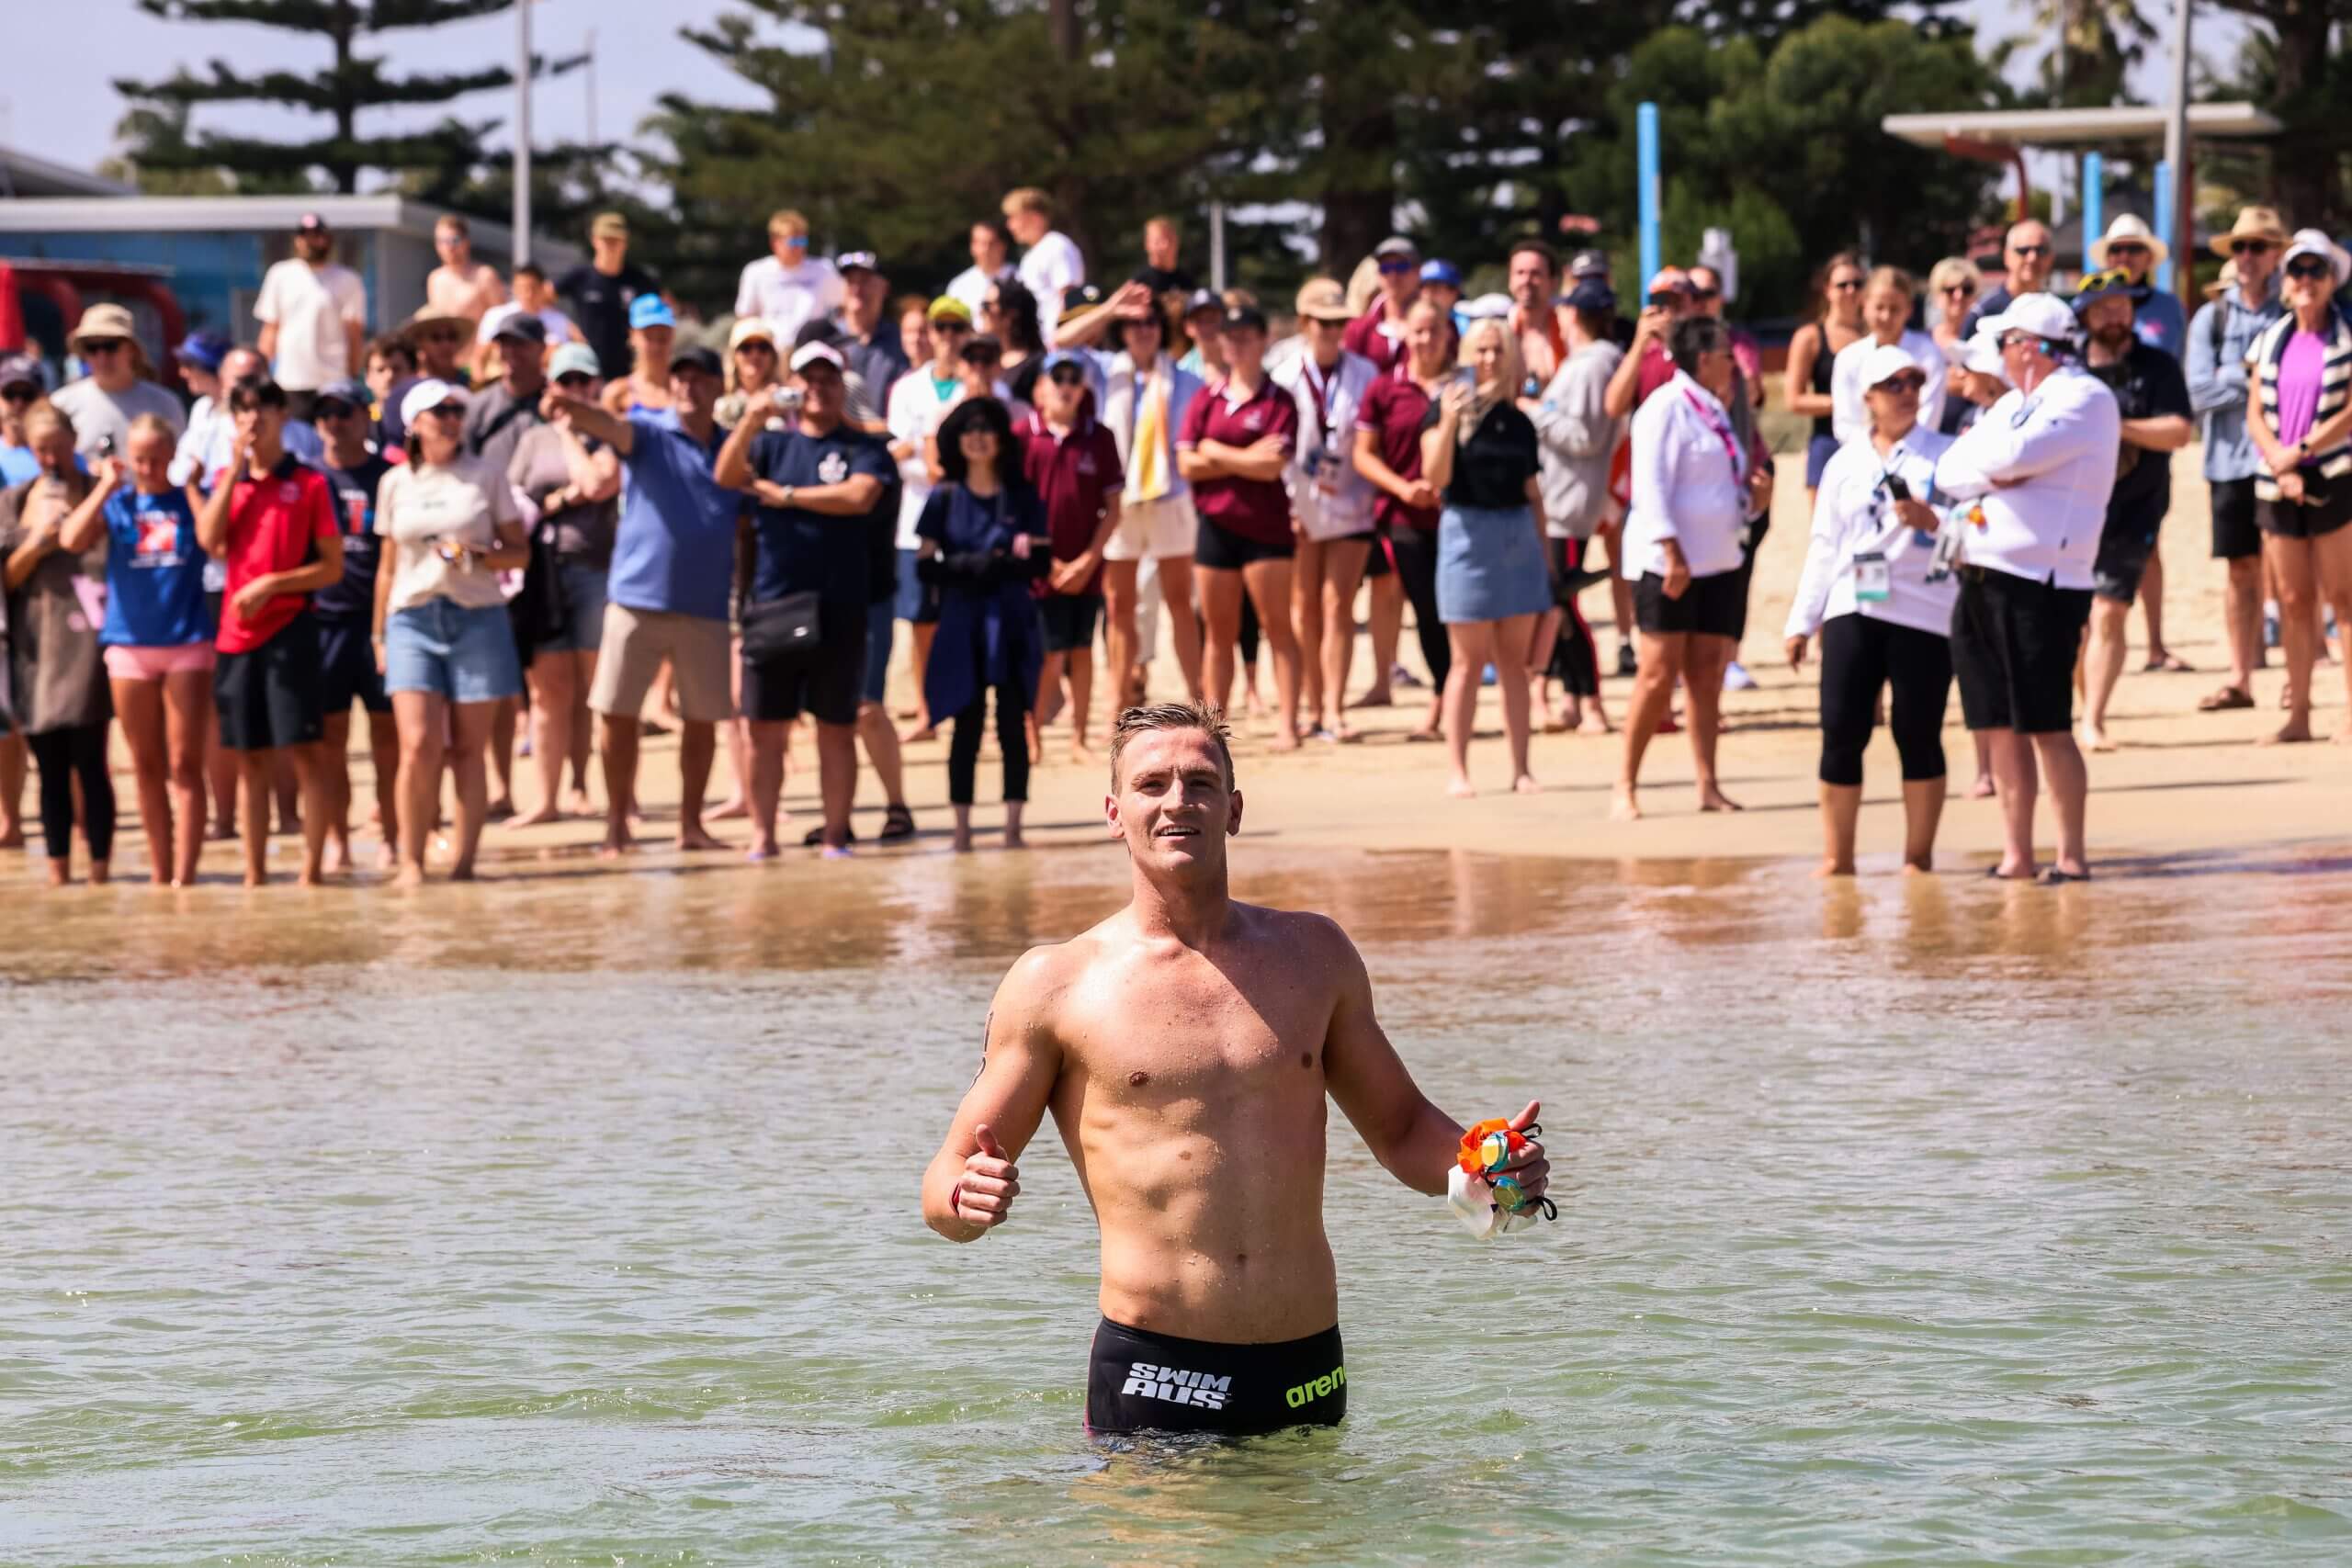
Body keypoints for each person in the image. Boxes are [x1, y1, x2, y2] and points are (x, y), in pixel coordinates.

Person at [921, 699, 1555, 1438]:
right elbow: (945, 1179)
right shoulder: (1056, 983)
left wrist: (1483, 1165)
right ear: (1114, 811)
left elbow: (1403, 1126)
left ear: (1234, 808)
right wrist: (965, 1198)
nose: (1176, 802)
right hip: (1157, 1372)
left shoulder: (1315, 956)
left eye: (1199, 782)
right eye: (1152, 784)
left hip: (1308, 1368)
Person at [1934, 292, 2119, 882]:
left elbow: (2012, 455)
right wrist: (1997, 471)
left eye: (2004, 343)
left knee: (2045, 723)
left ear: (2029, 346)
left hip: (2043, 582)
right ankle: (2018, 853)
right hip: (1982, 574)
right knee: (1996, 722)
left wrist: (1996, 469)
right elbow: (1949, 471)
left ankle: (2072, 855)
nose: (1996, 356)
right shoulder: (2016, 401)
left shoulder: (2085, 396)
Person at [544, 345, 736, 856]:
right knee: (617, 715)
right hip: (635, 599)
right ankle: (616, 825)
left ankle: (690, 825)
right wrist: (570, 408)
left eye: (699, 378)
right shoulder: (649, 430)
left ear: (719, 387)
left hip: (707, 605)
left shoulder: (733, 449)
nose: (688, 387)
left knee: (701, 720)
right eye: (681, 378)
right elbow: (607, 424)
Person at [711, 340, 893, 858]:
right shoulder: (769, 445)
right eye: (808, 379)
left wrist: (786, 496)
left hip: (840, 606)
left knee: (835, 729)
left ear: (842, 386)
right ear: (795, 385)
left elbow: (860, 496)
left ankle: (835, 837)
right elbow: (725, 476)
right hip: (772, 606)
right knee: (765, 732)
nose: (818, 388)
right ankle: (763, 838)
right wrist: (750, 420)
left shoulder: (863, 446)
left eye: (828, 378)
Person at [1784, 345, 1958, 875]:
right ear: (1869, 397)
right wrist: (1801, 620)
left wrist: (1936, 522)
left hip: (1925, 609)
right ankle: (1838, 858)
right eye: (1894, 384)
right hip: (1852, 604)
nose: (1907, 393)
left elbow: (1975, 534)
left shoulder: (1947, 454)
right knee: (1841, 729)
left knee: (1918, 731)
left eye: (1914, 381)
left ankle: (1917, 858)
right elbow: (1823, 545)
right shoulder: (1844, 462)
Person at [370, 378, 527, 886]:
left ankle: (464, 863)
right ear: (415, 423)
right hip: (412, 618)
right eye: (440, 412)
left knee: (467, 748)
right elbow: (387, 568)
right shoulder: (395, 482)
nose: (451, 420)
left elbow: (520, 552)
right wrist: (378, 636)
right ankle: (411, 862)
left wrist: (477, 557)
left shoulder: (486, 475)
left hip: (477, 615)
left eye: (457, 412)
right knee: (417, 745)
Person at [1615, 315, 1773, 820]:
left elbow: (1716, 484)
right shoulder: (1663, 407)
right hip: (1670, 564)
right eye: (1729, 354)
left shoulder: (1718, 408)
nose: (1737, 362)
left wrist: (1754, 502)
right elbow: (1651, 489)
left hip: (1719, 560)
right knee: (1657, 676)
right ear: (1704, 358)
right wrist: (1672, 554)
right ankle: (1625, 785)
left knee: (1706, 675)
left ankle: (1708, 784)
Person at [195, 377, 345, 886]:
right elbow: (209, 541)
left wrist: (273, 584)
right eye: (242, 411)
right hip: (237, 638)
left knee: (306, 752)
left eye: (262, 409)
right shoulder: (228, 478)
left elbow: (332, 568)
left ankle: (311, 874)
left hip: (290, 629)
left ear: (282, 415)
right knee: (249, 759)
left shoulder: (310, 484)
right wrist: (234, 471)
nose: (252, 420)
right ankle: (254, 875)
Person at [62, 411, 212, 886]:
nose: (147, 467)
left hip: (187, 640)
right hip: (128, 643)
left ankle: (184, 877)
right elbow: (70, 538)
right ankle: (159, 872)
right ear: (128, 457)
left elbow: (217, 540)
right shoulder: (118, 503)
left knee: (185, 764)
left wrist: (191, 486)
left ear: (171, 454)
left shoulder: (191, 501)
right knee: (144, 765)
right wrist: (105, 488)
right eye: (139, 458)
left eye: (155, 458)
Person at [1423, 318, 1549, 797]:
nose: (1490, 359)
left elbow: (1533, 493)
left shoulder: (1518, 420)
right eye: (1481, 350)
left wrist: (1547, 554)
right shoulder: (1446, 407)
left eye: (1498, 350)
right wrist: (1452, 420)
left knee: (1515, 663)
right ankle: (1458, 769)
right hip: (1466, 533)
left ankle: (1521, 768)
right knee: (1467, 662)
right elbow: (1434, 476)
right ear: (1467, 355)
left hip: (1516, 535)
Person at [918, 397, 1050, 851]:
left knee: (1014, 721)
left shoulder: (1021, 495)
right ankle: (962, 831)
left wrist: (1005, 565)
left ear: (999, 439)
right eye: (967, 429)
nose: (976, 437)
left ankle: (1014, 828)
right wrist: (975, 564)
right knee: (966, 721)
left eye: (986, 429)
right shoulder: (945, 494)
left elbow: (1041, 560)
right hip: (962, 618)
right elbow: (924, 564)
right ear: (956, 439)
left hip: (1011, 617)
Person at [2073, 268, 2193, 753]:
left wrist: (2117, 427)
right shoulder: (2067, 369)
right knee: (2076, 620)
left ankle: (2093, 718)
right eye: (2104, 307)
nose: (2115, 314)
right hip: (2074, 511)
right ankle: (2083, 708)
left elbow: (2179, 431)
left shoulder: (2157, 366)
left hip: (2137, 508)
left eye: (2123, 305)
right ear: (2085, 315)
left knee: (2109, 613)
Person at [2244, 229, 2352, 746]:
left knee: (2344, 597)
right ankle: (2299, 713)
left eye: (2316, 270)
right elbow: (2254, 412)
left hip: (2332, 475)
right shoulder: (2271, 337)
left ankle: (2351, 712)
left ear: (2333, 279)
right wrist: (2279, 461)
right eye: (2298, 270)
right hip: (2277, 480)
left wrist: (2302, 449)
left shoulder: (2347, 335)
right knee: (2293, 600)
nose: (2306, 280)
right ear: (2285, 280)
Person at [1179, 304, 1303, 749]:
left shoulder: (1278, 399)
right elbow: (1187, 463)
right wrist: (1242, 458)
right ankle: (1214, 730)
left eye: (1245, 335)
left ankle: (1289, 723)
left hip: (1266, 528)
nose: (1235, 342)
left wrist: (1217, 452)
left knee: (1277, 627)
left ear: (1262, 339)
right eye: (1229, 335)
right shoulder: (1206, 398)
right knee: (1218, 632)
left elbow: (1272, 466)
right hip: (1216, 525)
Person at [506, 343, 619, 824]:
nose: (574, 390)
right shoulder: (531, 440)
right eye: (565, 382)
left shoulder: (609, 434)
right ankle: (546, 798)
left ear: (594, 385)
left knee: (594, 688)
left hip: (596, 571)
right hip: (543, 578)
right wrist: (556, 498)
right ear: (551, 386)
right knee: (548, 693)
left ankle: (585, 787)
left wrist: (572, 431)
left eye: (582, 382)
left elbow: (598, 484)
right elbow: (512, 500)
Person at [1, 404, 113, 886]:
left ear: (73, 442)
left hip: (89, 639)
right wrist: (39, 543)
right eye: (41, 448)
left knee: (91, 759)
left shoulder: (97, 491)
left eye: (58, 447)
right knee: (48, 764)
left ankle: (101, 872)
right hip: (34, 641)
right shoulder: (14, 499)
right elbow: (6, 577)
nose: (51, 457)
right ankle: (58, 873)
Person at [2185, 207, 2288, 714]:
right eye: (2240, 247)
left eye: (2257, 246)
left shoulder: (2291, 311)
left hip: (2282, 459)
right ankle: (2240, 678)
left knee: (2293, 574)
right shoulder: (2212, 315)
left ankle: (2298, 683)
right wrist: (2259, 381)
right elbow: (2196, 392)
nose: (2246, 256)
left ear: (2275, 255)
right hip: (2228, 462)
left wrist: (2236, 375)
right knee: (2240, 571)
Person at [1277, 279, 1379, 741]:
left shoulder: (1365, 372)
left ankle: (1335, 709)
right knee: (1304, 609)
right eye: (1324, 322)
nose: (1333, 331)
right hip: (1299, 503)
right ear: (1304, 324)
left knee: (1340, 605)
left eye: (1340, 323)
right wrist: (1285, 503)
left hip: (1351, 501)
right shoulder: (1280, 372)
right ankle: (1311, 705)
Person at [462, 310, 552, 820]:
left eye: (520, 344)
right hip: (495, 556)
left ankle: (555, 789)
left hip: (553, 548)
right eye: (504, 345)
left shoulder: (554, 400)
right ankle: (500, 788)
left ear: (541, 349)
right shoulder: (479, 408)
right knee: (500, 679)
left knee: (547, 676)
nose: (510, 353)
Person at [309, 377, 401, 873]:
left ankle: (391, 835)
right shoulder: (308, 479)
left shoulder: (388, 476)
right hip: (324, 622)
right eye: (325, 414)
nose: (334, 424)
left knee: (388, 739)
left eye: (344, 412)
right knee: (329, 741)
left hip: (378, 622)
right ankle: (338, 841)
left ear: (365, 416)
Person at [1352, 299, 1454, 741]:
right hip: (1404, 516)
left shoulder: (1462, 387)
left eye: (1434, 330)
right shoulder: (1383, 388)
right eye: (1418, 331)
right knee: (1428, 610)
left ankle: (1448, 699)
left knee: (1456, 612)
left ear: (1448, 334)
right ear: (1406, 336)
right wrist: (1401, 487)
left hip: (1458, 518)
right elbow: (1362, 454)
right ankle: (1440, 700)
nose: (1426, 339)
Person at [1532, 276, 1625, 733]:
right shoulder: (1589, 362)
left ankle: (1590, 700)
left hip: (1568, 501)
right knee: (1557, 602)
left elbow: (1585, 437)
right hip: (1564, 496)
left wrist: (1536, 413)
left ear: (1573, 314)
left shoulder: (1593, 365)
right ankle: (1574, 695)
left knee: (1562, 601)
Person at [1022, 350, 1124, 761]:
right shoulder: (1023, 435)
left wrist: (1088, 560)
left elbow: (1113, 507)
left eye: (1072, 379)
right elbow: (1015, 509)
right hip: (1038, 565)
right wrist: (1047, 561)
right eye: (1056, 378)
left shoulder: (1099, 437)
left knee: (1082, 650)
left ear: (1084, 389)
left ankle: (1078, 737)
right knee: (1046, 654)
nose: (1064, 387)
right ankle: (1032, 735)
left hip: (1086, 566)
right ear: (1039, 389)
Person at [886, 299, 977, 739]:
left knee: (965, 617)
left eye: (956, 328)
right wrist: (934, 457)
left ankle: (965, 707)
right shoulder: (906, 388)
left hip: (967, 521)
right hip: (917, 519)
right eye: (940, 327)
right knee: (921, 623)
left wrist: (923, 448)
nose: (947, 336)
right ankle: (927, 711)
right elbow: (896, 455)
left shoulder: (976, 389)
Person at [254, 213, 368, 408]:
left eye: (316, 235)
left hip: (333, 380)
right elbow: (270, 329)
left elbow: (354, 333)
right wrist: (260, 375)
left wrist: (353, 375)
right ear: (297, 241)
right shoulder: (280, 275)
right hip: (291, 380)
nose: (310, 241)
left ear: (327, 239)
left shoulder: (348, 279)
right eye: (304, 236)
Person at [1781, 254, 1868, 499]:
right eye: (1843, 285)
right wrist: (1849, 403)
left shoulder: (1874, 334)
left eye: (1857, 284)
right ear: (1828, 290)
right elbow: (1794, 399)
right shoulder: (1810, 337)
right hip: (1827, 443)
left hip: (1872, 444)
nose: (1851, 291)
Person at [51, 303, 186, 460]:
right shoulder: (61, 404)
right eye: (92, 347)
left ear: (131, 350)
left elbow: (180, 465)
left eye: (110, 346)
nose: (102, 357)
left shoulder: (165, 404)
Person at [1830, 267, 1947, 446]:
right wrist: (1877, 453)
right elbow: (1845, 424)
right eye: (1879, 307)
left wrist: (1899, 455)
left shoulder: (1928, 356)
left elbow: (1929, 419)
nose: (1886, 316)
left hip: (1919, 457)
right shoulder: (1849, 359)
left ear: (1909, 309)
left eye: (1895, 309)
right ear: (1864, 304)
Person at [556, 212, 661, 400]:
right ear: (595, 241)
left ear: (625, 243)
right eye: (606, 239)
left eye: (616, 240)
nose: (611, 246)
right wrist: (569, 329)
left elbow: (662, 312)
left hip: (627, 373)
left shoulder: (639, 280)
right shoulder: (581, 277)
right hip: (585, 374)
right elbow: (541, 300)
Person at [734, 209, 844, 345]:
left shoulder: (823, 269)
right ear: (775, 243)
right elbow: (746, 317)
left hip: (812, 349)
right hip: (772, 350)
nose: (799, 248)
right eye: (793, 242)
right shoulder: (756, 272)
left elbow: (843, 306)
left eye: (802, 241)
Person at [1604, 267, 1696, 422]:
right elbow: (1614, 406)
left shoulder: (1708, 349)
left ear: (1694, 304)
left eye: (1677, 303)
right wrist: (1639, 343)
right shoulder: (1645, 356)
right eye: (1660, 303)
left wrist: (1674, 345)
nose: (1668, 311)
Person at [2088, 214, 2185, 359]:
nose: (2124, 256)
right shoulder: (2087, 305)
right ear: (2107, 258)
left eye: (2134, 249)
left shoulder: (2171, 306)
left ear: (2149, 257)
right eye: (2116, 249)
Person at [1003, 188, 1085, 347]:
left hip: (1057, 346)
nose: (1009, 225)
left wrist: (1060, 340)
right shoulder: (1030, 256)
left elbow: (1069, 297)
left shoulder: (1056, 246)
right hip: (1038, 346)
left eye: (1014, 218)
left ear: (1034, 217)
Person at [473, 263, 577, 382]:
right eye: (522, 288)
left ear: (543, 288)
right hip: (501, 385)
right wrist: (481, 387)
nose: (528, 294)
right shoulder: (495, 316)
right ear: (513, 288)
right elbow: (479, 358)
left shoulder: (559, 320)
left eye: (533, 288)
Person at [1961, 219, 2058, 341]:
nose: (2032, 258)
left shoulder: (2058, 313)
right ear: (2007, 256)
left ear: (2051, 257)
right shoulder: (1983, 313)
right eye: (2023, 250)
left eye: (2041, 250)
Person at [831, 252, 912, 397]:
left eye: (865, 280)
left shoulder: (902, 340)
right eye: (850, 281)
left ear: (885, 288)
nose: (857, 289)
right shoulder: (828, 338)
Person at [1344, 236, 1421, 374]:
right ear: (1378, 275)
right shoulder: (1358, 329)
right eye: (1385, 268)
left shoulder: (1436, 324)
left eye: (1401, 267)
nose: (1393, 275)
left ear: (1418, 272)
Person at [1927, 256, 1984, 435]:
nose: (1958, 296)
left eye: (1966, 289)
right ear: (1937, 296)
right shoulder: (1924, 342)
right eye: (1950, 290)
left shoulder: (1984, 341)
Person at [425, 213, 508, 329]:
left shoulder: (485, 276)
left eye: (455, 240)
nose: (449, 247)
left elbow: (502, 323)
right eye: (442, 241)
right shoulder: (435, 279)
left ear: (466, 242)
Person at [602, 294, 677, 416]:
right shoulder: (617, 394)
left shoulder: (685, 391)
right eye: (649, 337)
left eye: (663, 337)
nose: (656, 345)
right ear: (632, 336)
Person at [1507, 242, 1565, 391]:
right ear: (1510, 281)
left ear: (1553, 282)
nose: (1526, 281)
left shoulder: (1569, 331)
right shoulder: (1501, 329)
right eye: (1520, 273)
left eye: (1535, 273)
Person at [715, 316, 783, 433]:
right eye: (746, 348)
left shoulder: (785, 400)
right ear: (733, 356)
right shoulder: (720, 403)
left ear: (773, 356)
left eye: (763, 347)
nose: (755, 355)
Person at [947, 220, 1017, 319]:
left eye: (991, 243)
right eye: (980, 243)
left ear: (1003, 246)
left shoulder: (1020, 278)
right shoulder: (959, 286)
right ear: (972, 247)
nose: (986, 249)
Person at [1177, 288, 1226, 379]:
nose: (1207, 327)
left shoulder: (1246, 361)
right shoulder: (1182, 372)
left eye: (1212, 319)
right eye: (1200, 321)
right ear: (1187, 328)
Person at [1419, 259, 1464, 339]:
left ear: (1454, 292)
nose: (1428, 294)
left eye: (1435, 287)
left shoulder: (1463, 325)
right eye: (1423, 287)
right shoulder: (1412, 322)